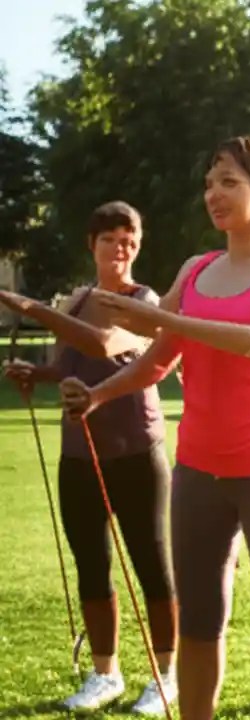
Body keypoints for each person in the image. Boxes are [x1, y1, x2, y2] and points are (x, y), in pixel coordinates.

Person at [60, 136, 250, 720]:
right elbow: (159, 358)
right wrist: (99, 395)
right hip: (199, 472)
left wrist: (164, 316)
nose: (214, 194)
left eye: (229, 182)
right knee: (201, 621)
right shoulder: (196, 269)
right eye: (210, 183)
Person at [0, 201, 177, 714]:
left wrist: (30, 307)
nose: (121, 248)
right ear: (92, 245)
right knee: (92, 566)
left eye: (129, 239)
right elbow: (69, 361)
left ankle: (166, 676)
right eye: (110, 239)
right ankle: (106, 674)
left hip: (136, 453)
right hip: (79, 453)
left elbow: (104, 347)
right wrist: (38, 375)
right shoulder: (78, 299)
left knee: (151, 565)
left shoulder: (144, 301)